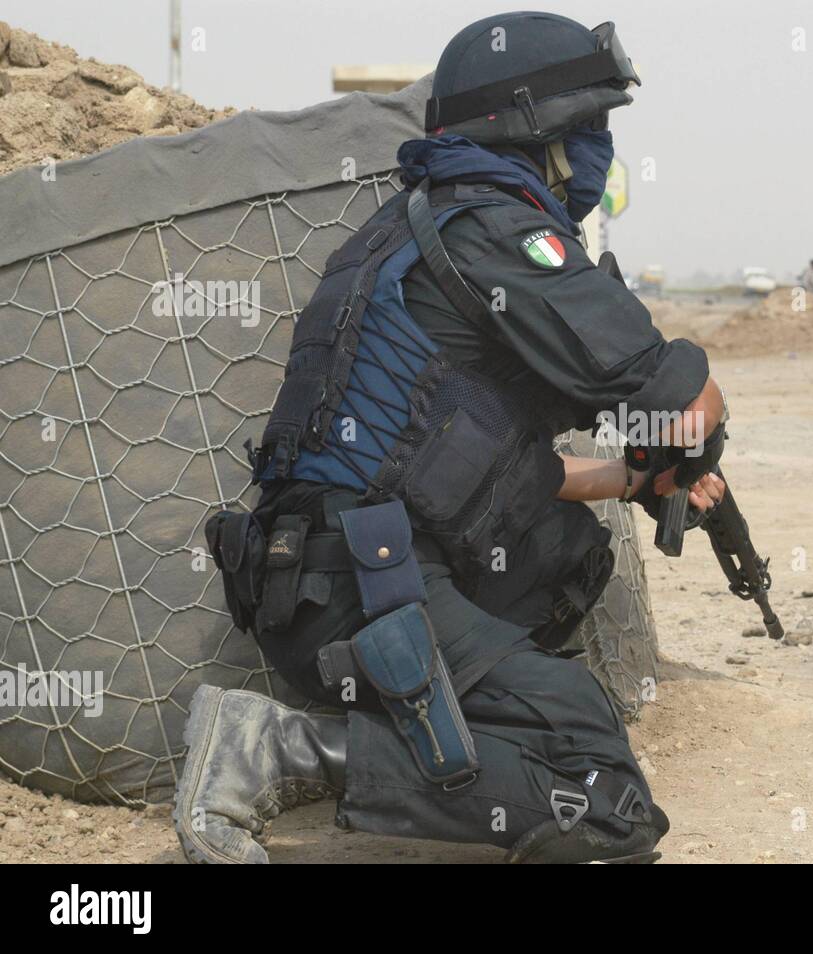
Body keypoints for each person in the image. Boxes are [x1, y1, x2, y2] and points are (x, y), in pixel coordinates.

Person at [173, 11, 729, 864]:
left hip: (325, 584)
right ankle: (281, 750)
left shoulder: (405, 230)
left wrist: (635, 477)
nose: (597, 153)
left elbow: (494, 473)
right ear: (533, 134)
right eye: (587, 129)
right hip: (374, 589)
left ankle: (415, 732)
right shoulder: (503, 233)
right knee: (609, 808)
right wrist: (690, 446)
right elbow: (687, 402)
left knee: (564, 596)